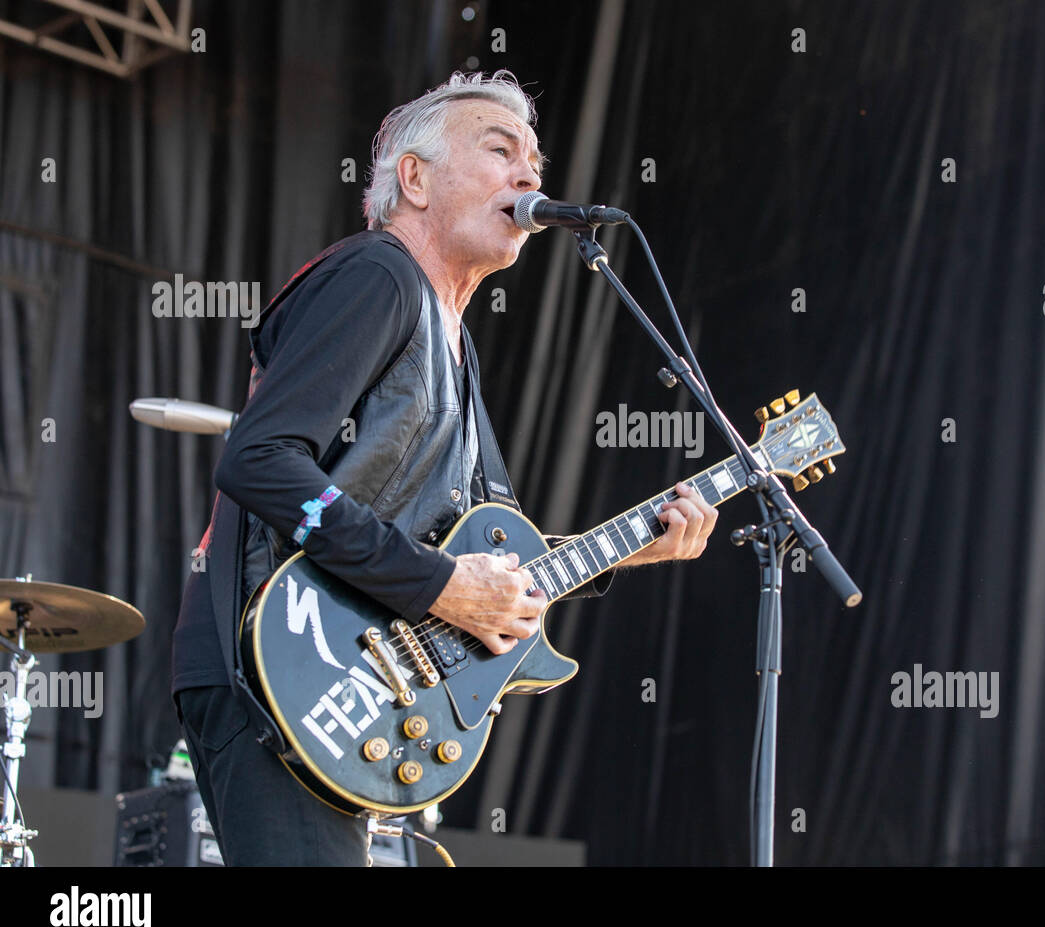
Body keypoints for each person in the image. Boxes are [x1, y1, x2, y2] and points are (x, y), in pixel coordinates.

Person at [169, 71, 719, 866]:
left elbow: (484, 552)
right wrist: (436, 586)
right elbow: (259, 461)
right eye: (501, 151)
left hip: (341, 676)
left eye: (535, 158)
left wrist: (638, 546)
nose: (531, 175)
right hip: (280, 663)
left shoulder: (451, 341)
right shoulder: (379, 275)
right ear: (415, 178)